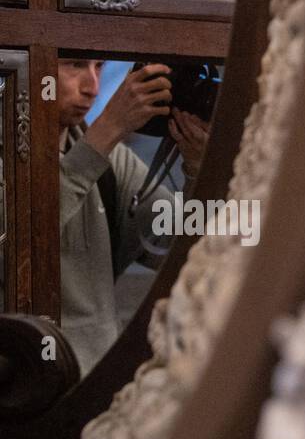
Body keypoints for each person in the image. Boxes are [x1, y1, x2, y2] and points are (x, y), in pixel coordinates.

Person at [58, 59, 210, 372]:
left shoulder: (113, 160)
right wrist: (108, 129)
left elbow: (179, 246)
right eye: (74, 65)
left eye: (99, 67)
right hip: (17, 382)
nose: (93, 87)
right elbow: (19, 234)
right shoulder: (101, 146)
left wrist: (199, 167)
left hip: (94, 384)